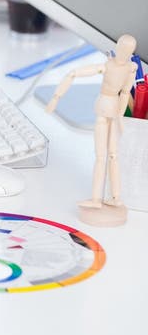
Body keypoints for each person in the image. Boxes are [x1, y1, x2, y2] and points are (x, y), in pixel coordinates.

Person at [46, 34, 137, 226]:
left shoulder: (131, 68)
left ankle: (115, 197)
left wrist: (121, 117)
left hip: (112, 109)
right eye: (121, 49)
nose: (124, 54)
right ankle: (97, 199)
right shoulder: (108, 65)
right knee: (102, 156)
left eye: (128, 51)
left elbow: (125, 92)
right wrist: (56, 97)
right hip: (103, 107)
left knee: (112, 156)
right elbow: (74, 73)